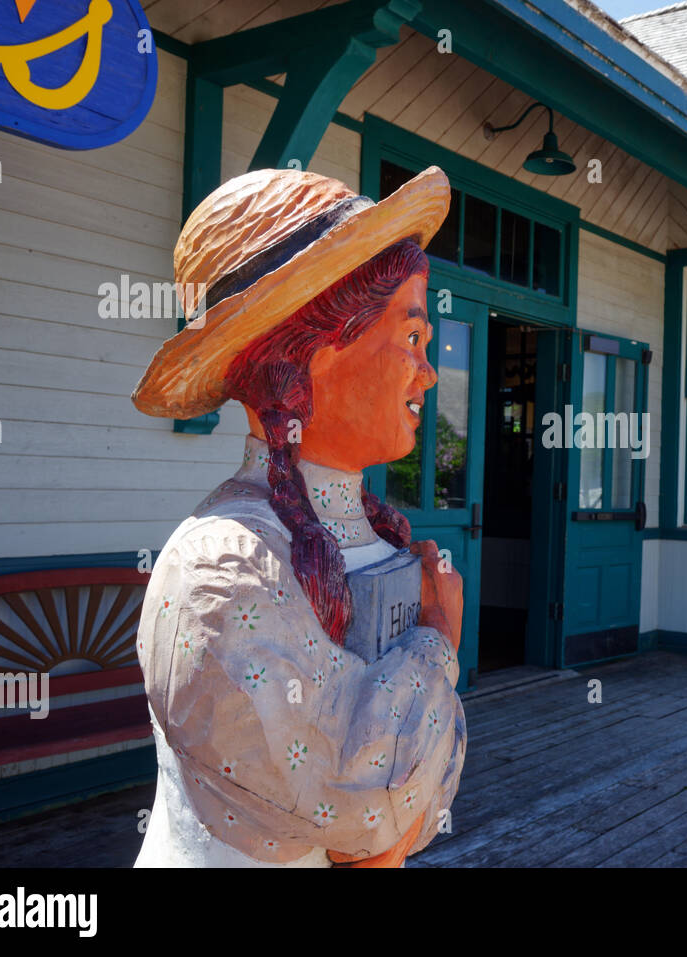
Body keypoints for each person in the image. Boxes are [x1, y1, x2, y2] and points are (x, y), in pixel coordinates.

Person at [129, 166, 465, 866]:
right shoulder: (219, 566)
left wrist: (395, 812)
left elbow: (410, 819)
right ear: (313, 354)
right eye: (411, 339)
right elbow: (369, 807)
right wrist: (436, 641)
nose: (427, 374)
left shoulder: (372, 537)